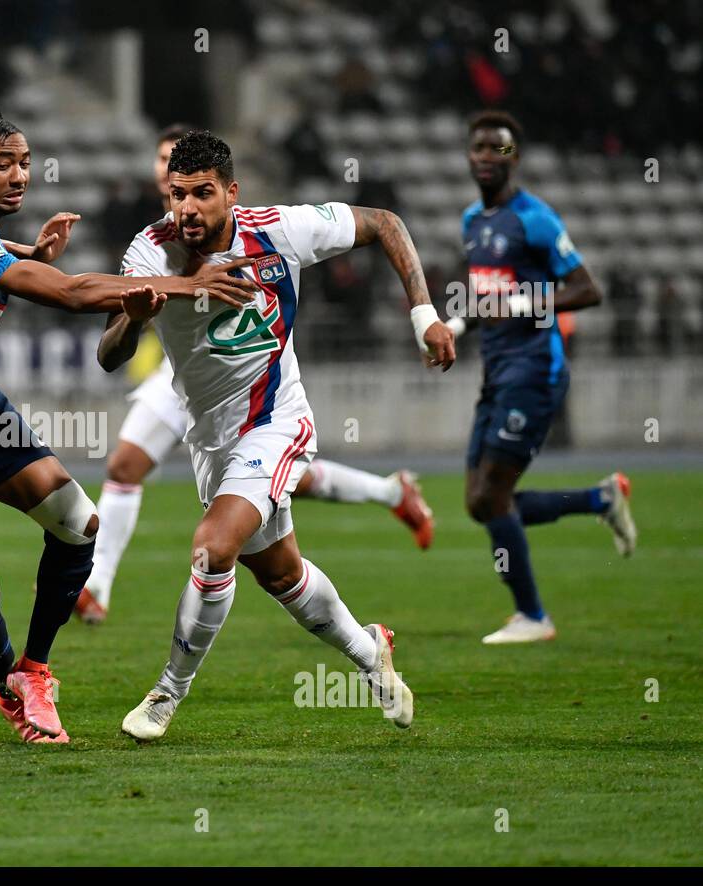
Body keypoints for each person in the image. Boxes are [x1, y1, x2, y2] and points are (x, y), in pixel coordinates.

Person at [0, 114, 255, 745]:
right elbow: (67, 294)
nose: (19, 176)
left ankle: (34, 671)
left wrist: (30, 251)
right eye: (2, 164)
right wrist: (184, 284)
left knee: (79, 524)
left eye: (25, 162)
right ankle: (9, 684)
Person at [98, 131, 457, 741]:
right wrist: (134, 317)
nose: (188, 208)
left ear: (231, 193)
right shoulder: (149, 251)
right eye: (178, 194)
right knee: (282, 575)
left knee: (213, 548)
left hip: (276, 420)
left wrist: (423, 314)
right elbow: (110, 355)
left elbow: (385, 223)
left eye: (203, 194)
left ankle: (166, 693)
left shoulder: (280, 229)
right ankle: (370, 651)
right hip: (210, 438)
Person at [445, 111, 635, 645]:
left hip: (535, 371)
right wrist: (457, 324)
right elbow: (487, 297)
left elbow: (588, 289)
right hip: (497, 368)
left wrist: (527, 299)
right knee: (481, 502)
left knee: (493, 495)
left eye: (497, 149)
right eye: (478, 147)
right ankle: (599, 501)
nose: (486, 156)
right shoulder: (471, 222)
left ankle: (534, 616)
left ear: (515, 158)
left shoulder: (535, 219)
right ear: (467, 155)